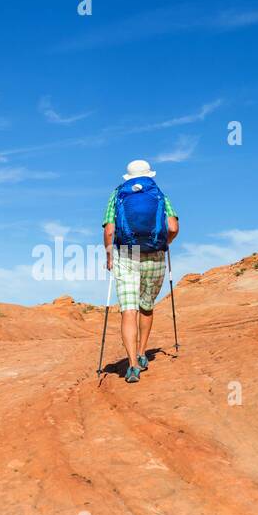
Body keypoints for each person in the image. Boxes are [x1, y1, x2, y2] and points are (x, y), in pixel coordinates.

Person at [102, 159, 179, 383]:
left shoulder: (117, 195)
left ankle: (132, 367)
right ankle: (142, 353)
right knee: (146, 306)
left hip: (126, 254)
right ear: (149, 175)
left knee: (129, 310)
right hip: (154, 255)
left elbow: (109, 231)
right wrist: (165, 242)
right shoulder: (160, 195)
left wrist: (109, 255)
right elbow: (173, 227)